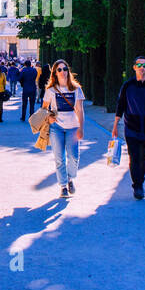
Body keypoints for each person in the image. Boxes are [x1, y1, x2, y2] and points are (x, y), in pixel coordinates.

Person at [112, 56, 145, 200]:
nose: (142, 67)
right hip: (131, 126)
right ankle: (137, 185)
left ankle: (140, 181)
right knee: (134, 156)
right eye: (139, 65)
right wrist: (115, 125)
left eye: (144, 65)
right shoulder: (128, 85)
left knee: (144, 156)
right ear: (134, 67)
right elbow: (120, 105)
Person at [42, 59, 85, 197]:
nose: (62, 72)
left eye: (65, 69)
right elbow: (44, 108)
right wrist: (49, 117)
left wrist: (81, 128)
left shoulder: (76, 88)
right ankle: (63, 186)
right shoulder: (51, 90)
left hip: (73, 127)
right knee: (59, 158)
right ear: (55, 72)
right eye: (59, 69)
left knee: (73, 157)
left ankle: (70, 178)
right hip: (56, 128)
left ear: (68, 71)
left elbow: (80, 110)